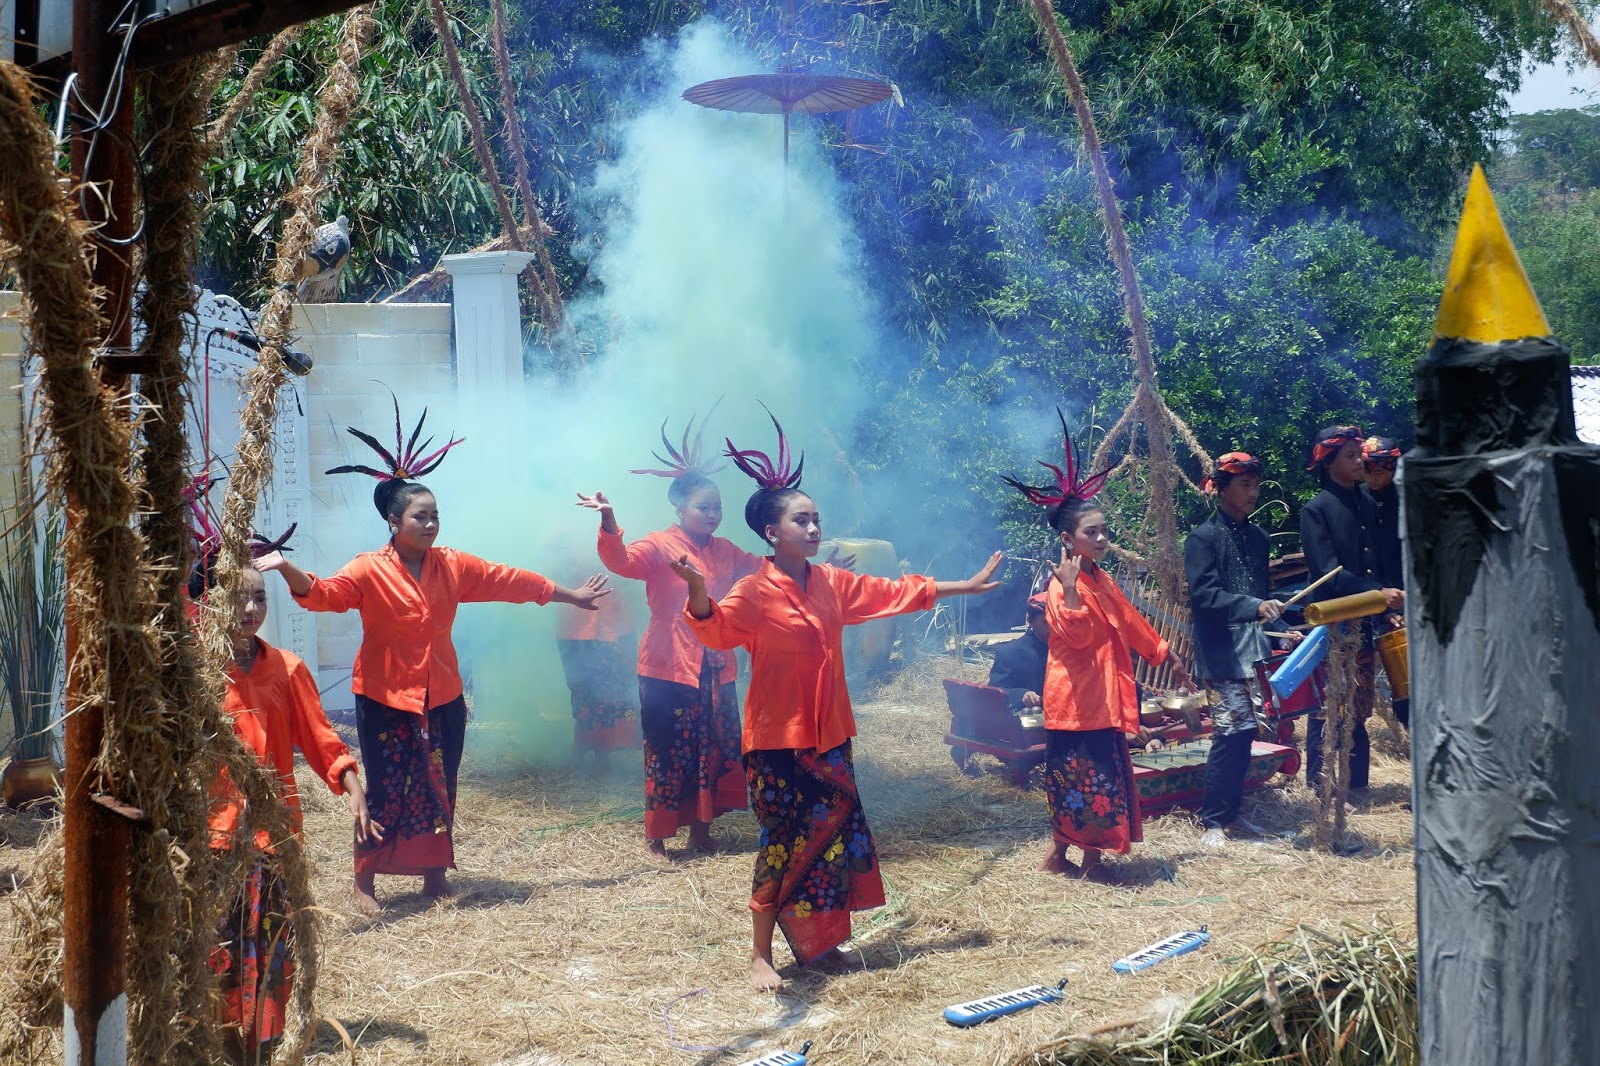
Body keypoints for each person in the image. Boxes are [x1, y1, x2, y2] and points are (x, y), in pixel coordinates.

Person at [677, 411, 1002, 990]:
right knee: (780, 842)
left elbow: (896, 593)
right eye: (801, 519)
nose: (814, 526)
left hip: (830, 736)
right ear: (772, 532)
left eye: (816, 518)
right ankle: (761, 956)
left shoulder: (830, 583)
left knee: (829, 842)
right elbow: (717, 631)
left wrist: (965, 586)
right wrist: (700, 595)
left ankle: (822, 946)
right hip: (777, 740)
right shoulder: (754, 589)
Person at [259, 401, 609, 913]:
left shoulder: (453, 565)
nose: (431, 524)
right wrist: (287, 568)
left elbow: (507, 580)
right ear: (393, 520)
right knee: (385, 790)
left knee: (440, 784)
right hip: (384, 697)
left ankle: (433, 876)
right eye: (421, 516)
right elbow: (325, 595)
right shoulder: (367, 569)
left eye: (435, 516)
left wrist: (568, 595)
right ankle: (365, 882)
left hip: (442, 696)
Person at [1002, 411, 1192, 883]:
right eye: (1093, 533)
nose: (1103, 538)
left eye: (1104, 531)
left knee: (1086, 783)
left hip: (1101, 703)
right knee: (1087, 785)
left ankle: (1065, 857)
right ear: (1068, 540)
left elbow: (1129, 622)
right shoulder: (1057, 585)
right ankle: (1088, 862)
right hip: (1076, 705)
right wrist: (1067, 590)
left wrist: (1165, 654)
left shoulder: (1100, 578)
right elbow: (1079, 636)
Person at [204, 557, 378, 1064]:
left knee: (274, 938)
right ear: (213, 604)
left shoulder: (287, 668)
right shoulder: (192, 674)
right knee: (220, 942)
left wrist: (352, 786)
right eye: (238, 598)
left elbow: (322, 739)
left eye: (260, 597)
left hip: (275, 835)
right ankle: (221, 1039)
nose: (251, 608)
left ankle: (264, 1037)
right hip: (213, 834)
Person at [576, 412, 759, 859]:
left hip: (716, 664)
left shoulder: (725, 549)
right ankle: (657, 836)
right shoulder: (659, 544)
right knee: (666, 749)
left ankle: (702, 830)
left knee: (712, 748)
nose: (713, 514)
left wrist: (813, 564)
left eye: (717, 507)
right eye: (704, 507)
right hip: (667, 665)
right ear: (680, 509)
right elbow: (620, 562)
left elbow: (765, 569)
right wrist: (608, 520)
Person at [1184, 452, 1287, 848]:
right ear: (1221, 488)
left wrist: (1281, 628)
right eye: (1244, 485)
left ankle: (1233, 814)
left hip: (1255, 649)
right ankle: (1213, 820)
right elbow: (1204, 594)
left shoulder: (1259, 538)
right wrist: (1254, 607)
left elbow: (1264, 597)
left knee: (1248, 734)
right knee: (1230, 733)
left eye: (1255, 484)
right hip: (1223, 653)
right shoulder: (1202, 538)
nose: (1252, 492)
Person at [1298, 425, 1404, 791]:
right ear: (1329, 463)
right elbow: (1328, 575)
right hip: (1331, 623)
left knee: (1358, 708)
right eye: (1350, 456)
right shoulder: (1316, 510)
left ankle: (1356, 788)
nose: (1360, 460)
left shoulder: (1366, 502)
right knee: (1329, 708)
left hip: (1364, 621)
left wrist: (1384, 604)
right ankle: (1321, 788)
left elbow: (1377, 559)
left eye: (1359, 453)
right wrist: (1378, 593)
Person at [555, 572, 641, 767]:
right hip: (579, 627)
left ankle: (605, 749)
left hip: (617, 626)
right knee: (585, 693)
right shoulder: (567, 545)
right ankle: (586, 747)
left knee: (619, 694)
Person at [1361, 434, 1409, 729]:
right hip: (1376, 600)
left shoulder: (1408, 501)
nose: (1375, 477)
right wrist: (1384, 606)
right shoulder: (1358, 502)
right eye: (1369, 470)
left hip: (1409, 598)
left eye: (1381, 470)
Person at [986, 593, 1049, 712]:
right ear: (1030, 620)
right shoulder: (1009, 653)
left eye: (1055, 621)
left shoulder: (1069, 650)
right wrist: (1022, 695)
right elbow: (995, 691)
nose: (1052, 628)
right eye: (1045, 623)